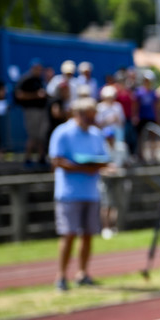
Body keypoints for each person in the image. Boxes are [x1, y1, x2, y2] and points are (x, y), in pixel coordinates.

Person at [49, 97, 111, 291]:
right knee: (68, 234)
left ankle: (83, 273)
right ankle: (61, 276)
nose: (91, 120)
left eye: (93, 116)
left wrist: (96, 165)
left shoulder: (96, 134)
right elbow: (57, 160)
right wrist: (81, 167)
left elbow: (104, 159)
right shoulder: (62, 132)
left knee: (88, 235)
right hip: (69, 193)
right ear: (77, 114)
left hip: (91, 193)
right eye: (88, 116)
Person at [15, 59, 50, 167]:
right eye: (36, 68)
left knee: (41, 136)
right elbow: (19, 95)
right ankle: (27, 158)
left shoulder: (39, 80)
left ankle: (41, 158)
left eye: (40, 69)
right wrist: (36, 95)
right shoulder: (26, 79)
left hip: (41, 110)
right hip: (31, 111)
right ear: (32, 68)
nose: (39, 71)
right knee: (33, 136)